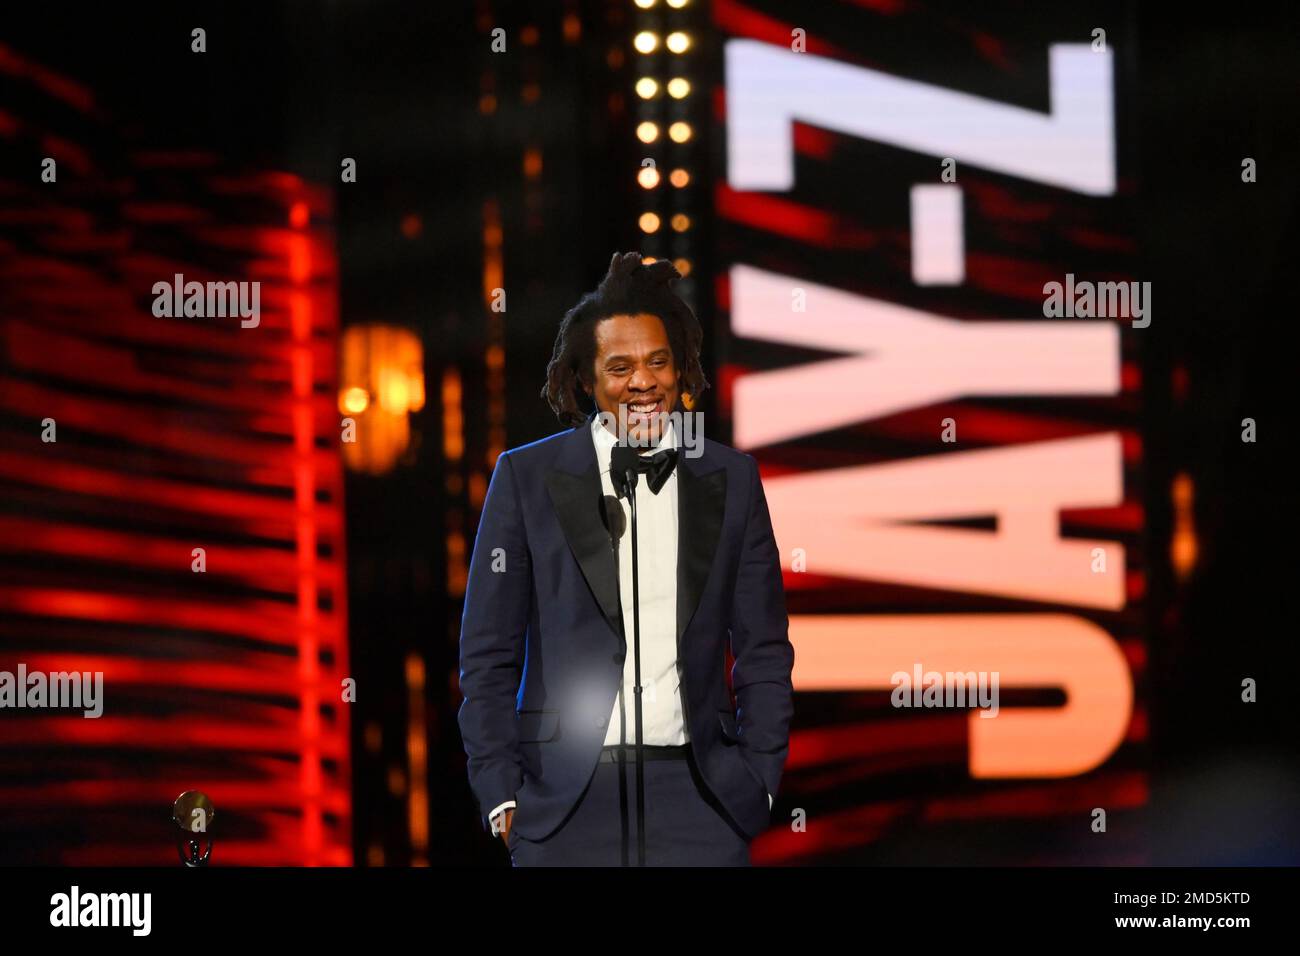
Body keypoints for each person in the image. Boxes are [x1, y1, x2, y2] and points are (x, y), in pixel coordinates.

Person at [457, 251, 794, 865]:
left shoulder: (731, 478)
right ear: (586, 380)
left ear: (681, 368)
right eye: (620, 367)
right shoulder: (527, 478)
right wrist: (502, 795)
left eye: (658, 362)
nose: (642, 382)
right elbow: (487, 652)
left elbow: (763, 645)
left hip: (702, 799)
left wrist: (759, 779)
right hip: (562, 805)